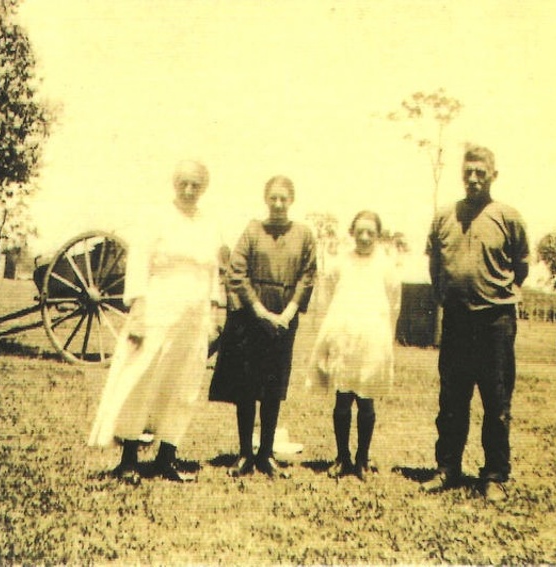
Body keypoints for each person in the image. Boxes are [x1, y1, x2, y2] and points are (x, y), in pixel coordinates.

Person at [88, 159, 222, 483]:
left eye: (196, 185)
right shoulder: (155, 216)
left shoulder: (208, 223)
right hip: (158, 308)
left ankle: (166, 457)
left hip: (195, 314)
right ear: (174, 184)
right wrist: (140, 309)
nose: (189, 190)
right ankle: (129, 459)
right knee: (143, 379)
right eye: (183, 184)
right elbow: (138, 264)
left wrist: (214, 311)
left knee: (184, 384)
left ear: (203, 188)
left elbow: (214, 271)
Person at [423, 144, 529, 501]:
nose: (473, 178)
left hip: (495, 324)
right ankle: (447, 469)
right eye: (467, 172)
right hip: (456, 322)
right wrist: (444, 297)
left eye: (480, 172)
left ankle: (495, 475)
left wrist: (502, 296)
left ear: (493, 175)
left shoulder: (508, 217)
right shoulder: (443, 216)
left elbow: (522, 267)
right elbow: (435, 263)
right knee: (452, 401)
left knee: (496, 404)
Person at [208, 175, 316, 479]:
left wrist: (288, 313)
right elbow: (236, 273)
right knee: (247, 387)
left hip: (284, 321)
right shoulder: (253, 230)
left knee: (273, 387)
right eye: (273, 198)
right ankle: (245, 454)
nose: (279, 204)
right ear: (266, 199)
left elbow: (308, 276)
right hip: (253, 321)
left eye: (284, 199)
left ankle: (266, 454)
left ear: (291, 200)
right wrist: (262, 312)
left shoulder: (304, 234)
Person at [310, 211, 401, 480]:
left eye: (370, 233)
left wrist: (387, 337)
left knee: (366, 401)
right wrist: (329, 336)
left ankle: (362, 458)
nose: (364, 237)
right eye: (359, 231)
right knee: (342, 399)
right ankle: (342, 457)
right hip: (343, 337)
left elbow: (394, 303)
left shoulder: (386, 265)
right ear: (352, 232)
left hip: (372, 339)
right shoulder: (340, 263)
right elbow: (326, 300)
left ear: (378, 235)